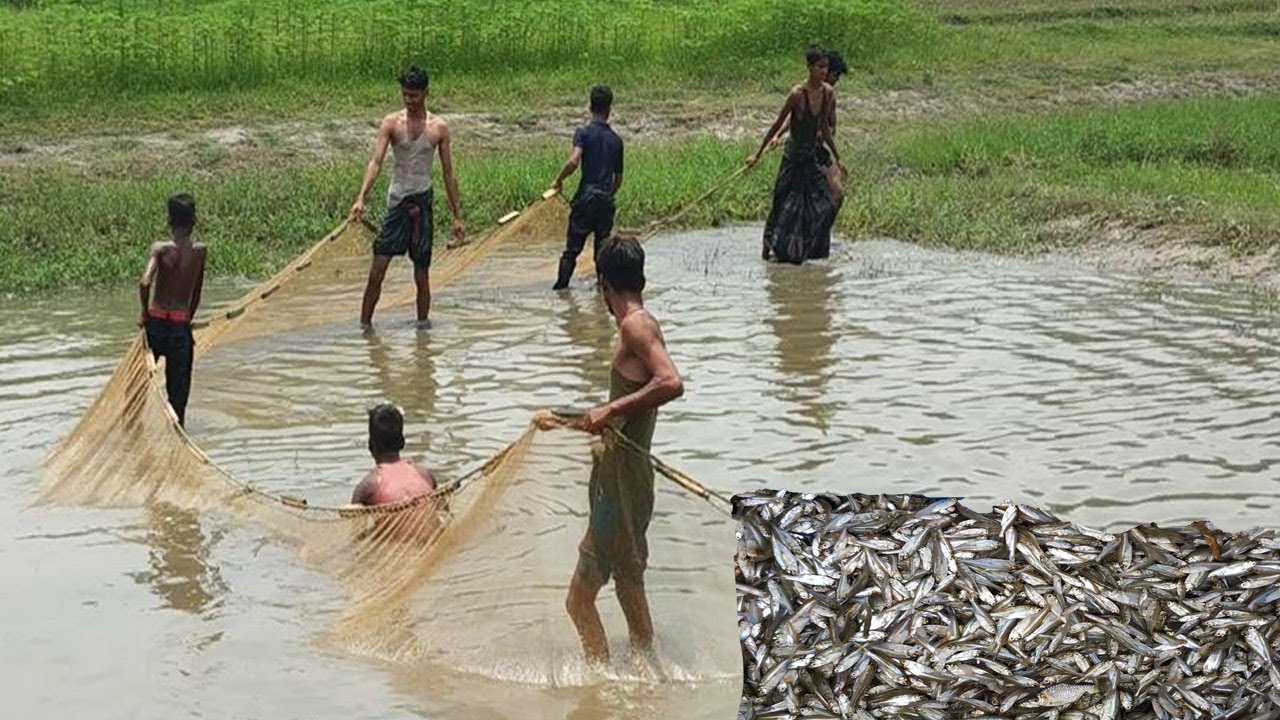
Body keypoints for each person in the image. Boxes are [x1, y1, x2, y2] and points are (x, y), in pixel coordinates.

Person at [566, 235, 684, 667]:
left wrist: (611, 408)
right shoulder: (637, 324)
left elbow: (671, 381)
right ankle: (643, 681)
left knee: (583, 599)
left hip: (624, 484)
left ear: (603, 283)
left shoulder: (635, 325)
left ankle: (607, 683)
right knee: (625, 583)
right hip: (620, 477)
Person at [349, 64, 464, 328]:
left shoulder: (439, 128)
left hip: (422, 202)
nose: (409, 101)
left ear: (426, 93)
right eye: (405, 95)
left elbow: (448, 173)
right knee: (377, 270)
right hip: (398, 202)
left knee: (421, 274)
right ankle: (364, 328)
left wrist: (457, 216)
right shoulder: (391, 123)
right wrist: (361, 197)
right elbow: (375, 161)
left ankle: (423, 331)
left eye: (414, 95)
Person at [747, 45, 845, 265]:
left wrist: (838, 158)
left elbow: (826, 129)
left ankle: (810, 250)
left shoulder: (828, 94)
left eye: (826, 67)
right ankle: (766, 251)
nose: (824, 72)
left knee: (826, 203)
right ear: (809, 68)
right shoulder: (797, 94)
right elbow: (778, 123)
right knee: (781, 201)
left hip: (812, 156)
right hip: (793, 157)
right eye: (820, 67)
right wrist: (758, 153)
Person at [138, 193, 206, 427]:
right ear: (193, 221)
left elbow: (145, 282)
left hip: (155, 326)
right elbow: (196, 293)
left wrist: (144, 314)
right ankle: (177, 434)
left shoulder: (160, 248)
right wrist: (188, 319)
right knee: (178, 398)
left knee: (137, 387)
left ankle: (134, 428)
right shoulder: (199, 251)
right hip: (179, 328)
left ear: (169, 220)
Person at [550, 85, 625, 291]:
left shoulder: (583, 133)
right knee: (602, 249)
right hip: (605, 201)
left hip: (585, 199)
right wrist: (607, 195)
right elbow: (618, 179)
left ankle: (561, 289)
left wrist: (558, 180)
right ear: (609, 109)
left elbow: (574, 161)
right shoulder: (616, 141)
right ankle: (603, 291)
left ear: (590, 107)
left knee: (572, 250)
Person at [351, 403, 437, 507]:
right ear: (402, 442)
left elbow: (354, 520)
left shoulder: (368, 486)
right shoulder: (425, 475)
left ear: (370, 445)